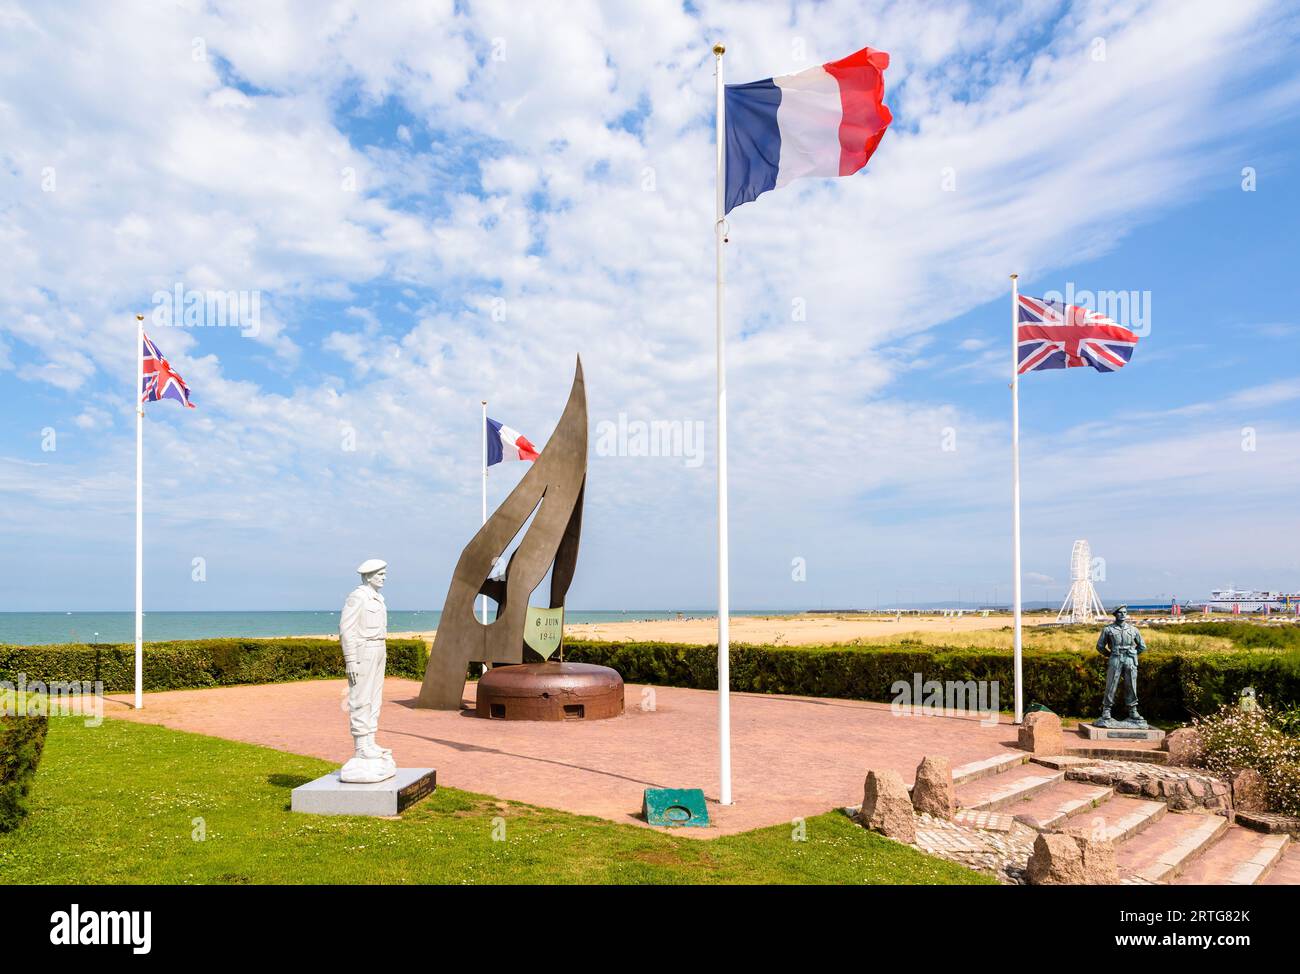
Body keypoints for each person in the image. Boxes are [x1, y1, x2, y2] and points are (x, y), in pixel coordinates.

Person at [339, 558, 394, 781]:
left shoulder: (378, 598)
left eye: (384, 573)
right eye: (380, 574)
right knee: (361, 698)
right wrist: (350, 659)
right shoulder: (358, 597)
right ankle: (361, 746)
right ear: (369, 576)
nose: (384, 577)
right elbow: (346, 628)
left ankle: (370, 741)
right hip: (363, 652)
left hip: (379, 648)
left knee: (374, 698)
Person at [1096, 604, 1147, 726]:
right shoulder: (1108, 629)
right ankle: (1106, 710)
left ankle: (1133, 711)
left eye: (1125, 612)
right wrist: (1110, 655)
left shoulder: (1133, 630)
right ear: (1115, 615)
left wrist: (1134, 653)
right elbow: (1100, 646)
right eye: (1120, 612)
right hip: (1116, 658)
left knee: (1131, 685)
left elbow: (1142, 646)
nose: (1123, 614)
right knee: (1111, 684)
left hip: (1130, 659)